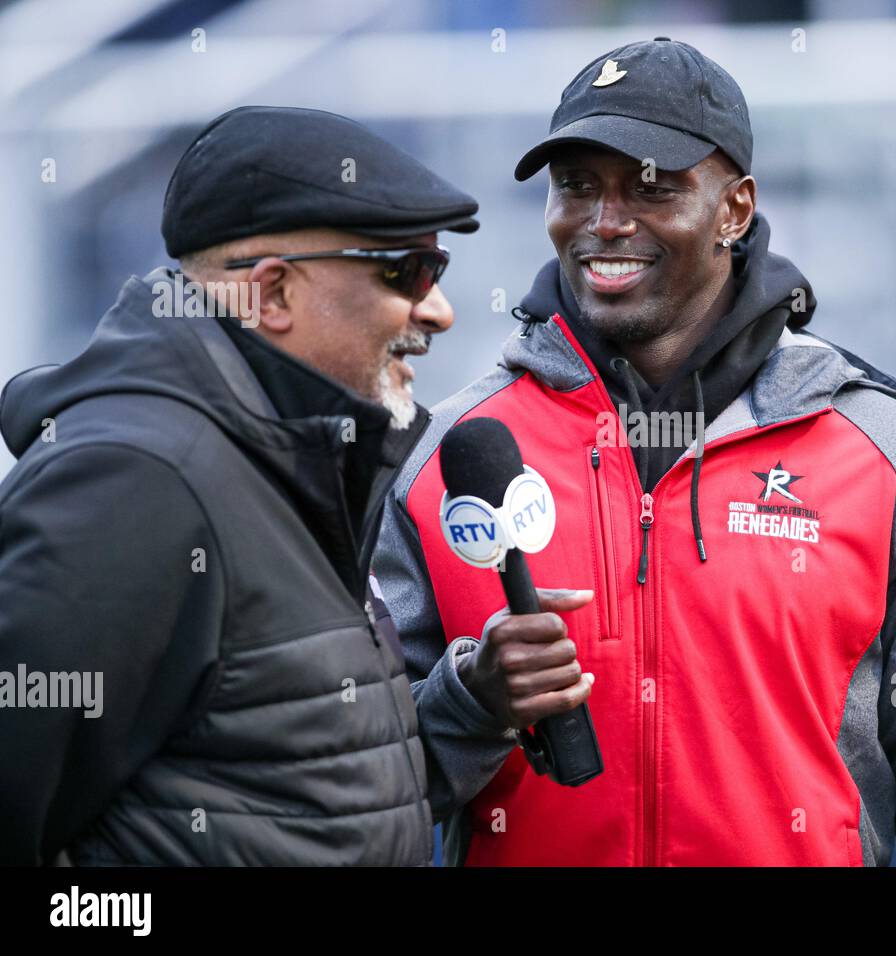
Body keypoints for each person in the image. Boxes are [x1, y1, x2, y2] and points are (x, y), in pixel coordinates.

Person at [376, 39, 896, 866]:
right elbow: (359, 790)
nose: (606, 222)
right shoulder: (446, 455)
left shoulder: (883, 454)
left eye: (652, 186)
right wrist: (471, 705)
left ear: (736, 209)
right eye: (577, 186)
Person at [0, 106, 588, 865]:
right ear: (271, 294)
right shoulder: (140, 480)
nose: (438, 310)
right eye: (406, 271)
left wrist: (470, 708)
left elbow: (314, 804)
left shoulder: (287, 464)